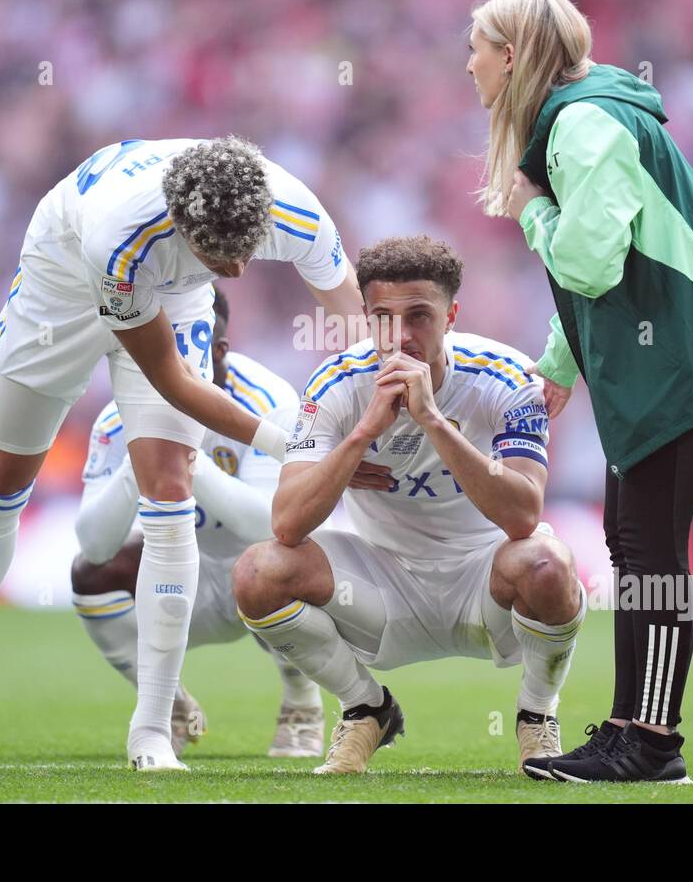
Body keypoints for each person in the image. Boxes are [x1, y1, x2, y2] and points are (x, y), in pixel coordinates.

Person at [0, 136, 361, 771]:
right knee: (3, 478)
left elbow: (357, 329)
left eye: (246, 253)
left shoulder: (296, 213)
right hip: (62, 279)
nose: (236, 273)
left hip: (173, 290)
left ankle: (151, 731)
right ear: (181, 224)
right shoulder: (122, 239)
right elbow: (174, 382)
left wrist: (370, 414)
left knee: (168, 487)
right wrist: (292, 446)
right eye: (219, 257)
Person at [466, 0, 693, 783]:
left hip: (687, 351)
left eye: (477, 49)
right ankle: (626, 730)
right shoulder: (582, 114)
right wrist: (558, 367)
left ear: (512, 56)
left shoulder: (583, 123)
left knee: (651, 549)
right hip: (665, 351)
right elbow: (595, 274)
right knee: (632, 544)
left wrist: (529, 213)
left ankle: (653, 743)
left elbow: (588, 262)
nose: (470, 65)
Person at [232, 236, 585, 777]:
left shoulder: (508, 377)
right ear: (367, 320)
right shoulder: (337, 385)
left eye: (419, 315)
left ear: (451, 316)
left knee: (548, 564)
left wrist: (434, 422)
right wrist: (365, 433)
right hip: (381, 586)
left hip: (485, 584)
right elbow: (286, 524)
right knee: (258, 572)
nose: (401, 335)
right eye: (383, 317)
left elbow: (523, 517)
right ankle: (366, 707)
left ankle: (537, 716)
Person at [70, 287, 324, 759]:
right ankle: (169, 704)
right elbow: (94, 544)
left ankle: (302, 703)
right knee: (89, 577)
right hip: (170, 581)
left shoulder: (270, 401)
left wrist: (190, 465)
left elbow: (273, 524)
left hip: (252, 579)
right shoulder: (116, 418)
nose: (163, 366)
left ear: (219, 352)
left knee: (284, 560)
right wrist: (137, 463)